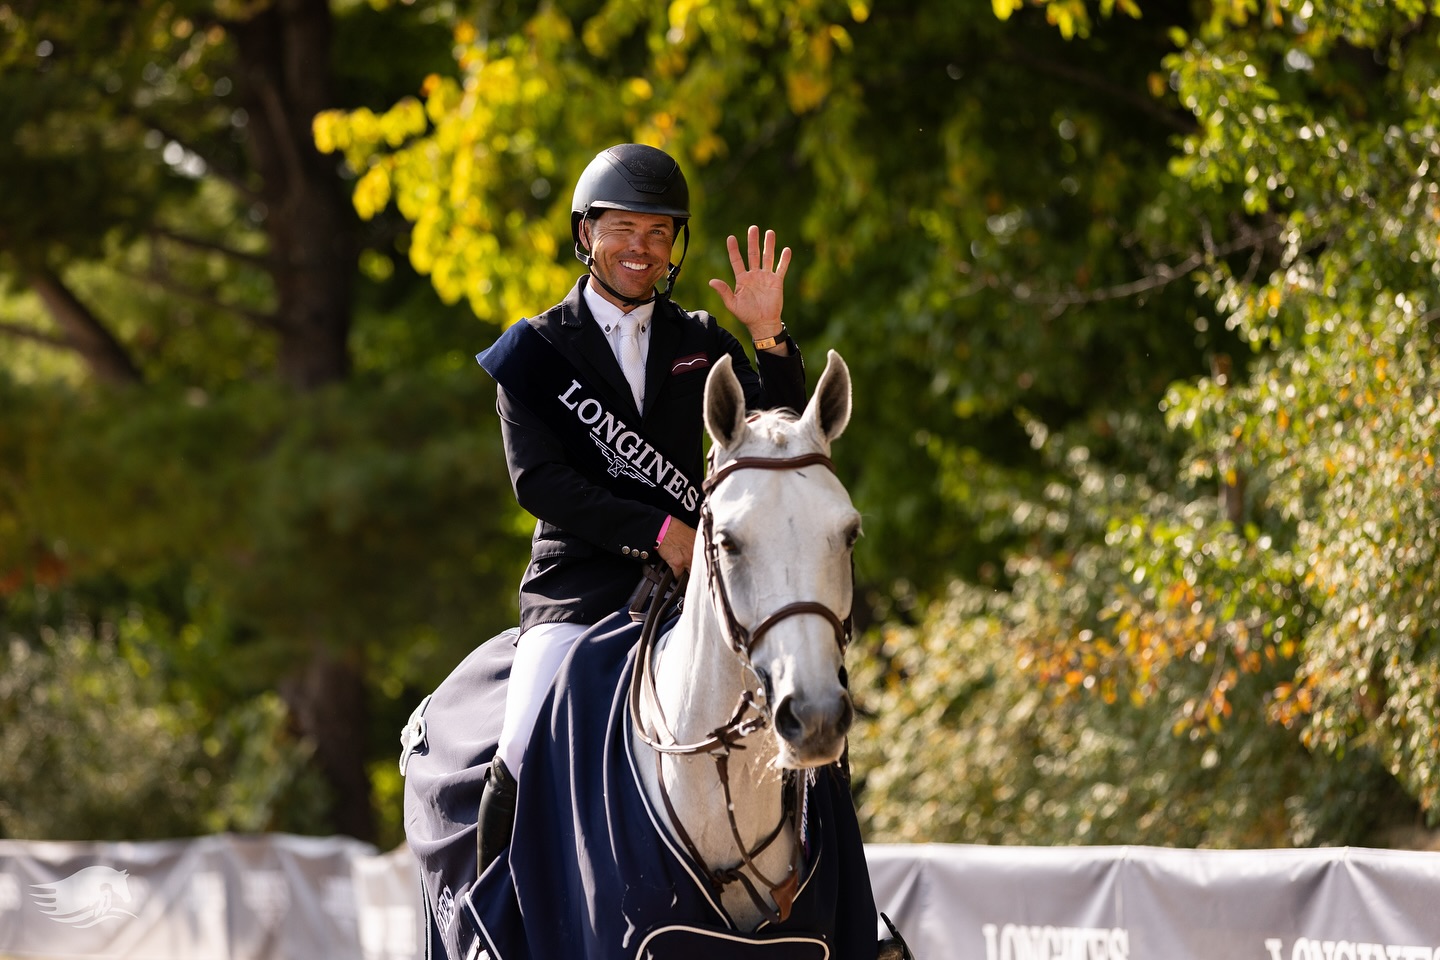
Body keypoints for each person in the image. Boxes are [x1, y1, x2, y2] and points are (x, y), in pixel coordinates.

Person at [472, 142, 808, 871]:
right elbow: (540, 482)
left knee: (808, 718)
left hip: (696, 593)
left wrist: (767, 335)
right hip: (577, 588)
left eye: (659, 232)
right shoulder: (534, 351)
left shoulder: (700, 340)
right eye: (623, 227)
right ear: (586, 232)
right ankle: (490, 908)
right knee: (521, 742)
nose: (642, 247)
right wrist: (658, 529)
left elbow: (779, 432)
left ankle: (834, 909)